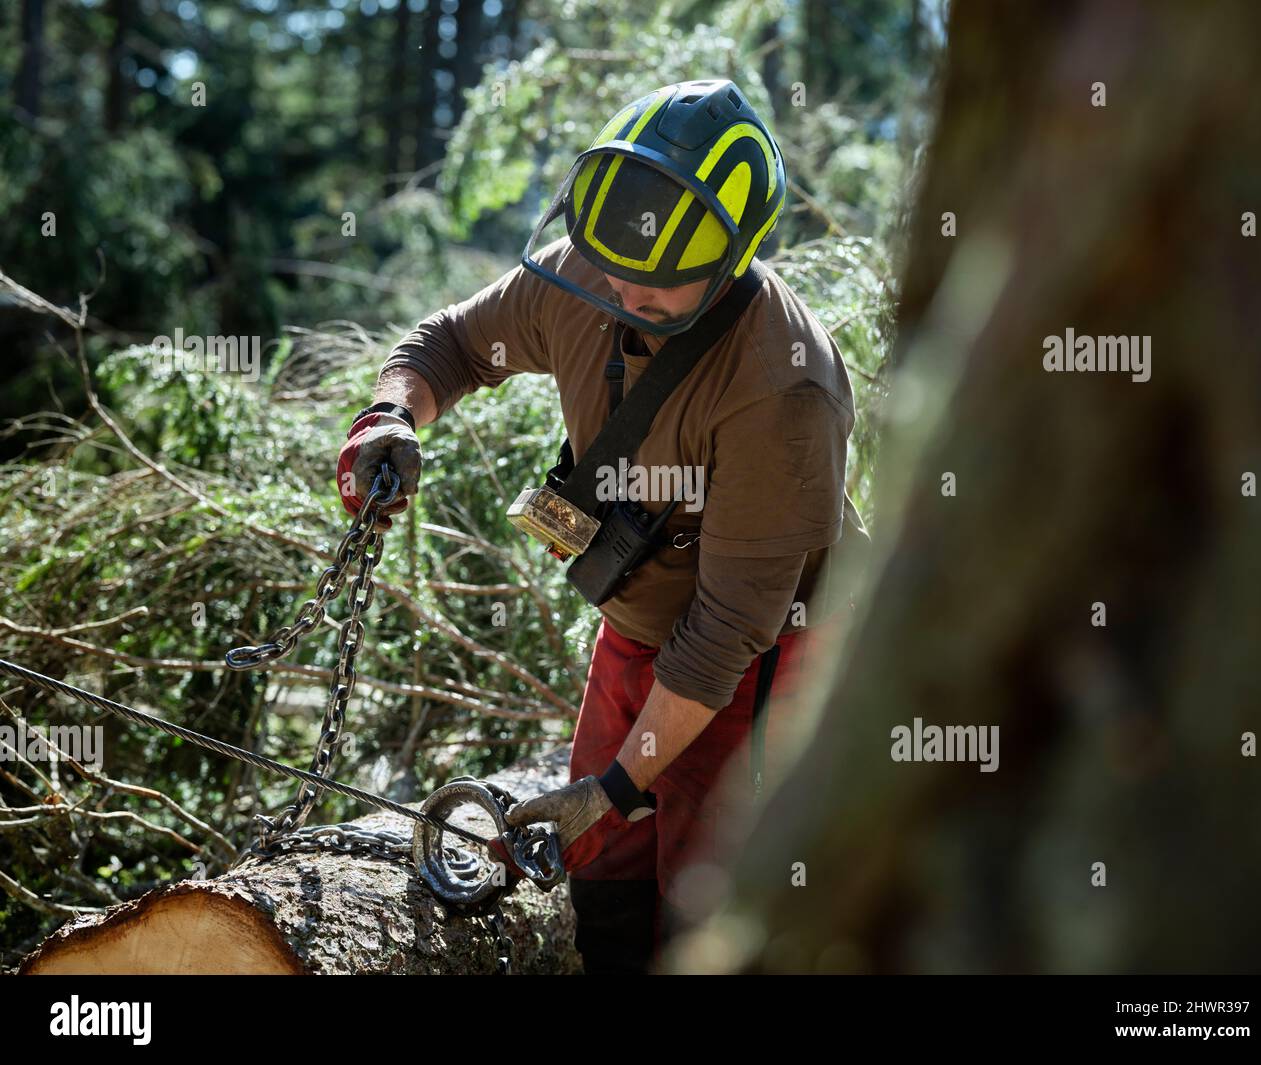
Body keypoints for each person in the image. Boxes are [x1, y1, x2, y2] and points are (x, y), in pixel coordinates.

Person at [335, 78, 868, 972]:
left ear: (732, 258)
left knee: (709, 883)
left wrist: (619, 784)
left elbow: (727, 632)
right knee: (607, 860)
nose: (624, 293)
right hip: (639, 619)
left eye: (660, 289)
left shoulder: (783, 388)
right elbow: (451, 345)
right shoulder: (591, 271)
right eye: (617, 272)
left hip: (767, 656)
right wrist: (389, 416)